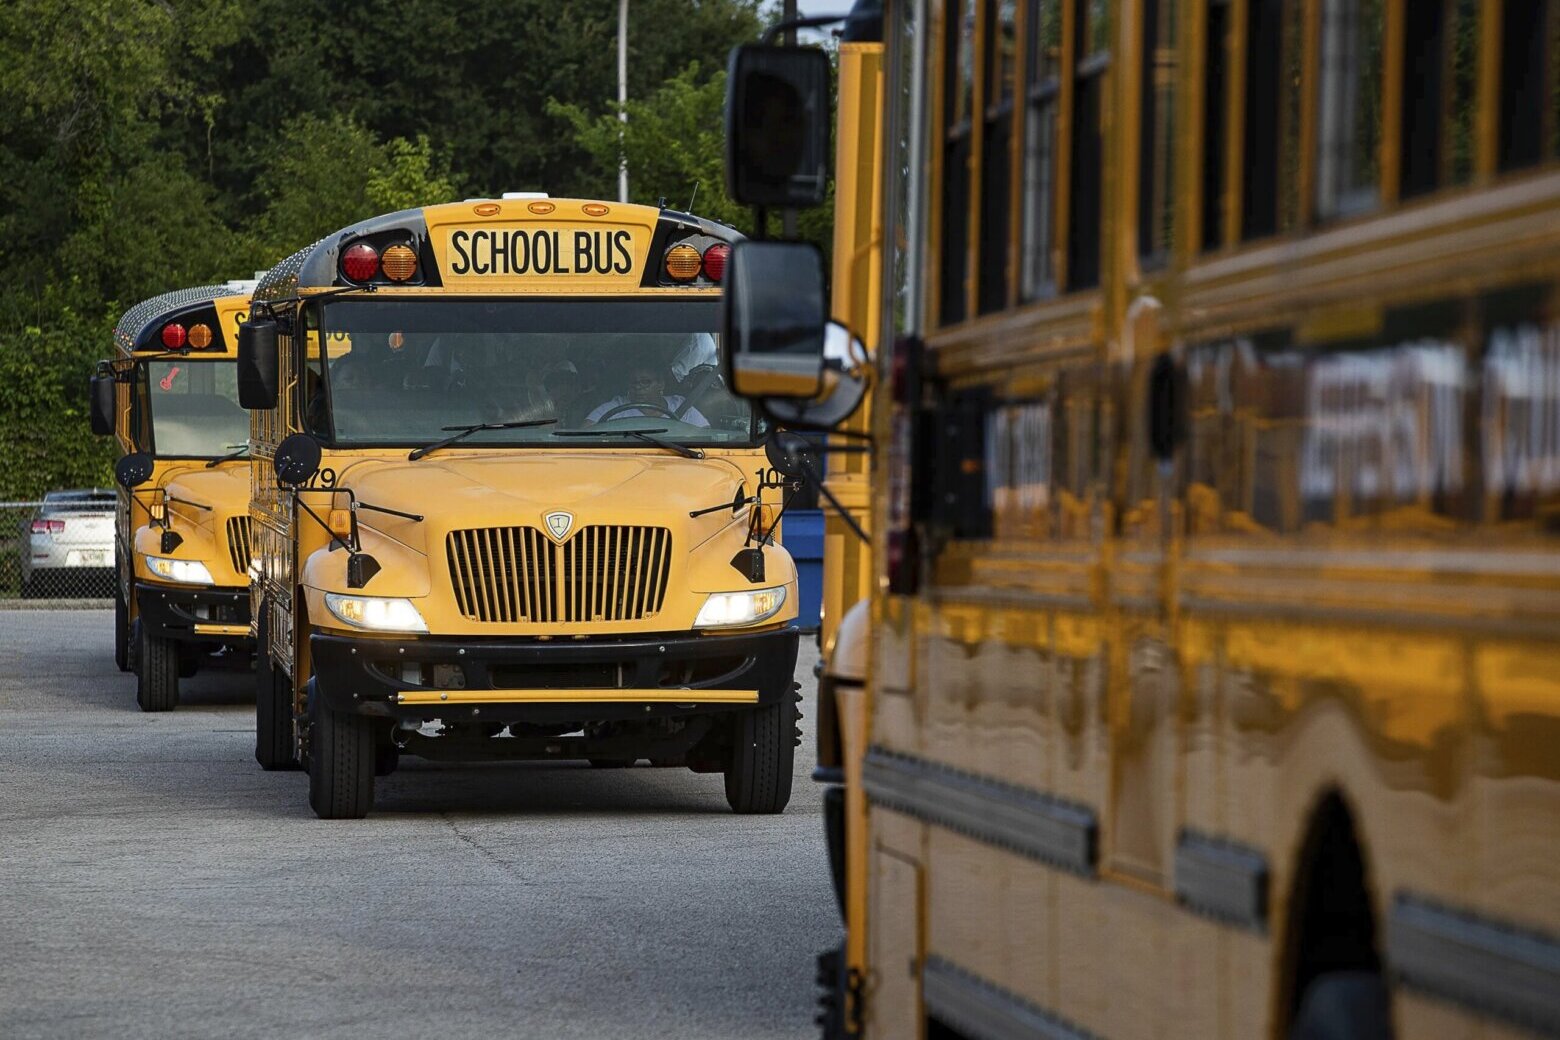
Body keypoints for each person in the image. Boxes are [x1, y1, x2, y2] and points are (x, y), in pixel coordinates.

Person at [584, 364, 710, 427]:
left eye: (645, 382)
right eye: (634, 382)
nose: (638, 387)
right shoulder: (616, 407)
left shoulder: (679, 404)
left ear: (661, 384)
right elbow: (586, 429)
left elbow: (706, 433)